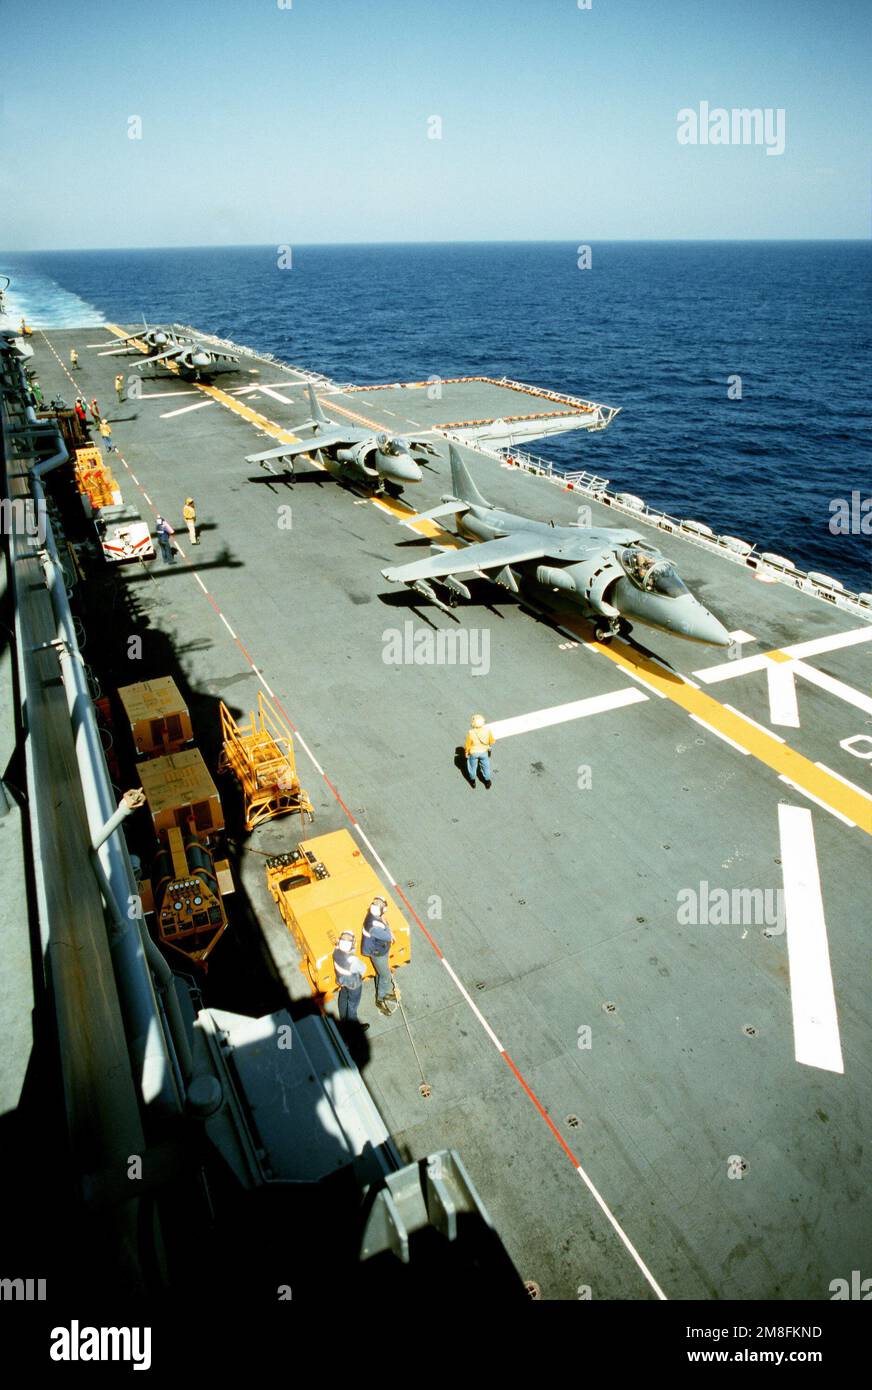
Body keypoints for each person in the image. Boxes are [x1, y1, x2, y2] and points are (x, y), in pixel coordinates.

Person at [361, 897, 398, 1016]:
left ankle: (382, 992)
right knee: (386, 976)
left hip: (382, 949)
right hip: (378, 953)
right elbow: (388, 936)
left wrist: (383, 920)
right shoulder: (374, 927)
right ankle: (380, 999)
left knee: (380, 973)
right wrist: (388, 927)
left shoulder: (373, 916)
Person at [333, 930, 369, 1029]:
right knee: (353, 1004)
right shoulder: (352, 960)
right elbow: (363, 969)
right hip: (353, 985)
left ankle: (343, 1019)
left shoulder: (335, 951)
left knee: (343, 997)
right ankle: (353, 1027)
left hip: (342, 981)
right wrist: (354, 951)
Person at [465, 713, 495, 789]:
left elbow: (468, 745)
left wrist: (466, 752)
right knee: (486, 767)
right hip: (484, 752)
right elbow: (491, 741)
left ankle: (473, 782)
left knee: (472, 767)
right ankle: (487, 782)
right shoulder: (488, 731)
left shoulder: (471, 732)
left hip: (474, 753)